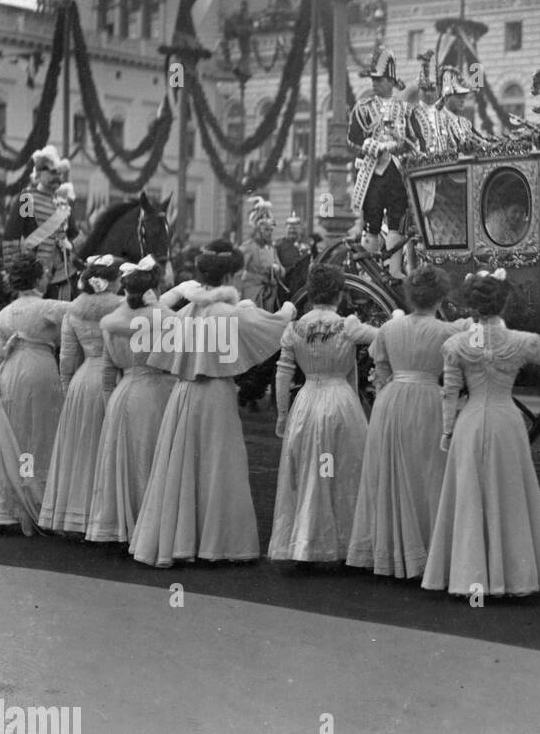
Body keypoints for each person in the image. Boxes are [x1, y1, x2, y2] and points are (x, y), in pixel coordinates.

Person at [130, 241, 296, 567]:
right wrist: (288, 309)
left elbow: (150, 320)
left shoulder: (184, 313)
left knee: (179, 466)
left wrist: (178, 291)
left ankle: (180, 541)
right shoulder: (232, 313)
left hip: (183, 394)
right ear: (230, 276)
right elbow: (275, 324)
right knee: (220, 465)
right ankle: (217, 544)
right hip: (217, 394)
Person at [422, 270, 540, 598]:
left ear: (470, 305)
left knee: (469, 495)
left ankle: (471, 576)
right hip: (507, 421)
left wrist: (447, 432)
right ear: (504, 302)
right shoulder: (521, 341)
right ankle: (513, 576)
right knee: (509, 493)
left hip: (470, 423)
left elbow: (449, 393)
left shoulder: (455, 344)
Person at [347, 266, 471, 579]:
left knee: (389, 474)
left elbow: (381, 369)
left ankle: (389, 550)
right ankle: (425, 550)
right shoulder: (447, 332)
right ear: (439, 297)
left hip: (390, 400)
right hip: (428, 397)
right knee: (427, 474)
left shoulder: (390, 329)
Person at [267, 264, 380, 563]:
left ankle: (306, 541)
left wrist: (282, 414)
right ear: (340, 294)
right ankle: (344, 544)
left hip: (306, 403)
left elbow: (283, 374)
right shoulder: (348, 325)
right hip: (342, 402)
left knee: (308, 473)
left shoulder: (294, 328)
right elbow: (385, 338)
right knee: (343, 472)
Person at [86, 256, 177, 545]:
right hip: (156, 392)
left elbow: (107, 370)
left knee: (122, 461)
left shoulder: (113, 323)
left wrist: (109, 401)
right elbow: (175, 362)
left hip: (123, 392)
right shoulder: (166, 320)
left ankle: (118, 526)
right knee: (151, 461)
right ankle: (149, 527)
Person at [0, 251, 69, 532]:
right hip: (38, 371)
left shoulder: (3, 313)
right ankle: (32, 498)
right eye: (44, 273)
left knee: (12, 434)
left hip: (10, 372)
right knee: (37, 434)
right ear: (38, 278)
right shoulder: (52, 307)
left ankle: (6, 506)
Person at [38, 255, 125, 535]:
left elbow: (67, 357)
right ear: (113, 281)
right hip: (116, 379)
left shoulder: (74, 311)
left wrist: (66, 387)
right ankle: (106, 518)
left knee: (81, 448)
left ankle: (75, 515)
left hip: (83, 380)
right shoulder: (122, 308)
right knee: (109, 448)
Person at [348, 45, 413, 274]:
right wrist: (366, 144)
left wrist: (397, 146)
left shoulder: (405, 110)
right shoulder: (363, 108)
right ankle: (369, 273)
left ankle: (394, 272)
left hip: (396, 171)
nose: (374, 83)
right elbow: (352, 139)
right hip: (373, 172)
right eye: (373, 79)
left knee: (397, 219)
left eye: (379, 79)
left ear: (391, 80)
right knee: (371, 221)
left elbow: (413, 142)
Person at [2, 145, 78, 299]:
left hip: (61, 274)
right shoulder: (27, 199)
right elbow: (13, 236)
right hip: (33, 273)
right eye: (51, 172)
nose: (57, 176)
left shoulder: (63, 203)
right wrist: (14, 272)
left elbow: (73, 236)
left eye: (59, 173)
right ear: (38, 173)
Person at [236, 198, 284, 310]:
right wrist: (237, 292)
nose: (269, 233)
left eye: (271, 230)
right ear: (258, 231)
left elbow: (282, 270)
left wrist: (277, 269)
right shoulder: (249, 246)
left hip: (270, 290)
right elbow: (238, 270)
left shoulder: (272, 248)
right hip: (252, 291)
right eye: (266, 230)